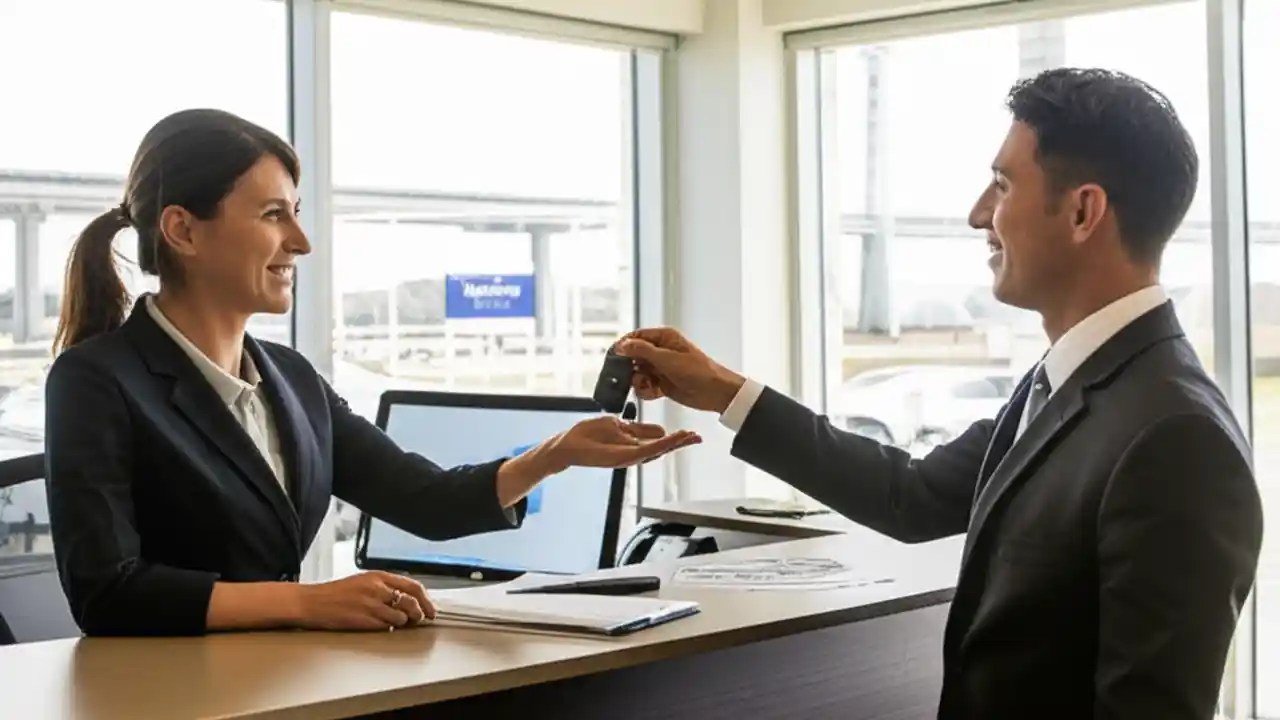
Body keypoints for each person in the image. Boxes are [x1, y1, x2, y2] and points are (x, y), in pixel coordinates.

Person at [616, 68, 1263, 719]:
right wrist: (725, 391)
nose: (979, 213)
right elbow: (910, 495)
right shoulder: (1067, 383)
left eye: (1003, 184)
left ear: (1082, 211)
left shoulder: (1175, 437)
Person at [44, 108, 700, 638]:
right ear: (184, 231)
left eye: (296, 213)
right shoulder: (97, 381)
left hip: (279, 683)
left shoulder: (292, 380)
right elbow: (108, 592)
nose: (301, 242)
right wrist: (304, 604)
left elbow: (425, 501)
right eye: (274, 214)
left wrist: (554, 455)